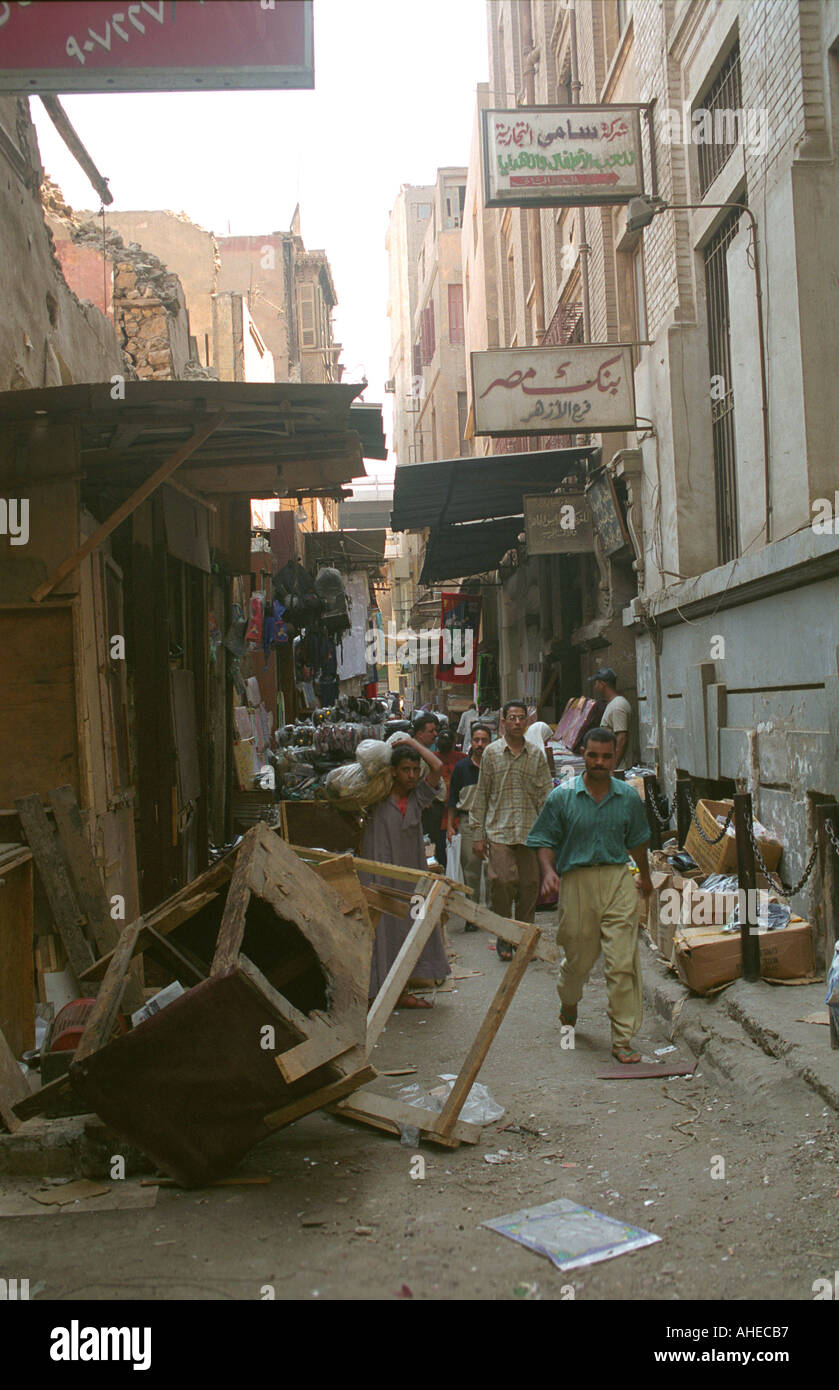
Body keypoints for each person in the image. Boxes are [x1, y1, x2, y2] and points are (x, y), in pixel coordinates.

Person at [526, 727, 654, 1064]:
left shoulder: (627, 797)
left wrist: (647, 879)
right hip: (577, 881)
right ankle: (569, 1003)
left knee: (622, 962)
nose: (599, 762)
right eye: (593, 755)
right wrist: (550, 872)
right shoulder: (562, 797)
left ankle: (623, 1037)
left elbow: (638, 841)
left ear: (615, 758)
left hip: (617, 879)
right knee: (578, 961)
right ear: (583, 754)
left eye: (606, 757)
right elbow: (542, 840)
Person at [360, 738, 449, 1010]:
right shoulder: (376, 796)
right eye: (406, 770)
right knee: (379, 931)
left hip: (411, 876)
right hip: (378, 873)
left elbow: (437, 767)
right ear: (393, 771)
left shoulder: (419, 796)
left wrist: (411, 741)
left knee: (408, 930)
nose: (412, 775)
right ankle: (375, 992)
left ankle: (402, 991)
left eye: (414, 770)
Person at [471, 699, 554, 961]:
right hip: (500, 831)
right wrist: (478, 834)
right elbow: (482, 794)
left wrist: (551, 833)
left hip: (530, 831)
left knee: (530, 887)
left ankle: (524, 939)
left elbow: (545, 794)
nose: (517, 722)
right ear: (504, 722)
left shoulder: (536, 755)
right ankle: (505, 934)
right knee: (502, 882)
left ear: (527, 721)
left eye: (522, 718)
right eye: (512, 718)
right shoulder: (492, 753)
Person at [447, 722, 492, 928]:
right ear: (471, 742)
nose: (480, 744)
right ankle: (472, 916)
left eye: (484, 740)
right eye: (476, 740)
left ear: (490, 742)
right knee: (471, 868)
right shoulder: (461, 768)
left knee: (493, 869)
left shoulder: (495, 766)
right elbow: (452, 799)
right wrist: (450, 825)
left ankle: (492, 913)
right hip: (467, 822)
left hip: (493, 821)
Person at [589, 668, 632, 771]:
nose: (595, 687)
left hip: (619, 769)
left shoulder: (618, 706)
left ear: (602, 684)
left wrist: (612, 768)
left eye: (596, 683)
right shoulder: (613, 704)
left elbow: (622, 738)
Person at [431, 728, 461, 867]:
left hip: (455, 811)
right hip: (438, 812)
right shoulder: (432, 758)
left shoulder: (461, 758)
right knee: (441, 847)